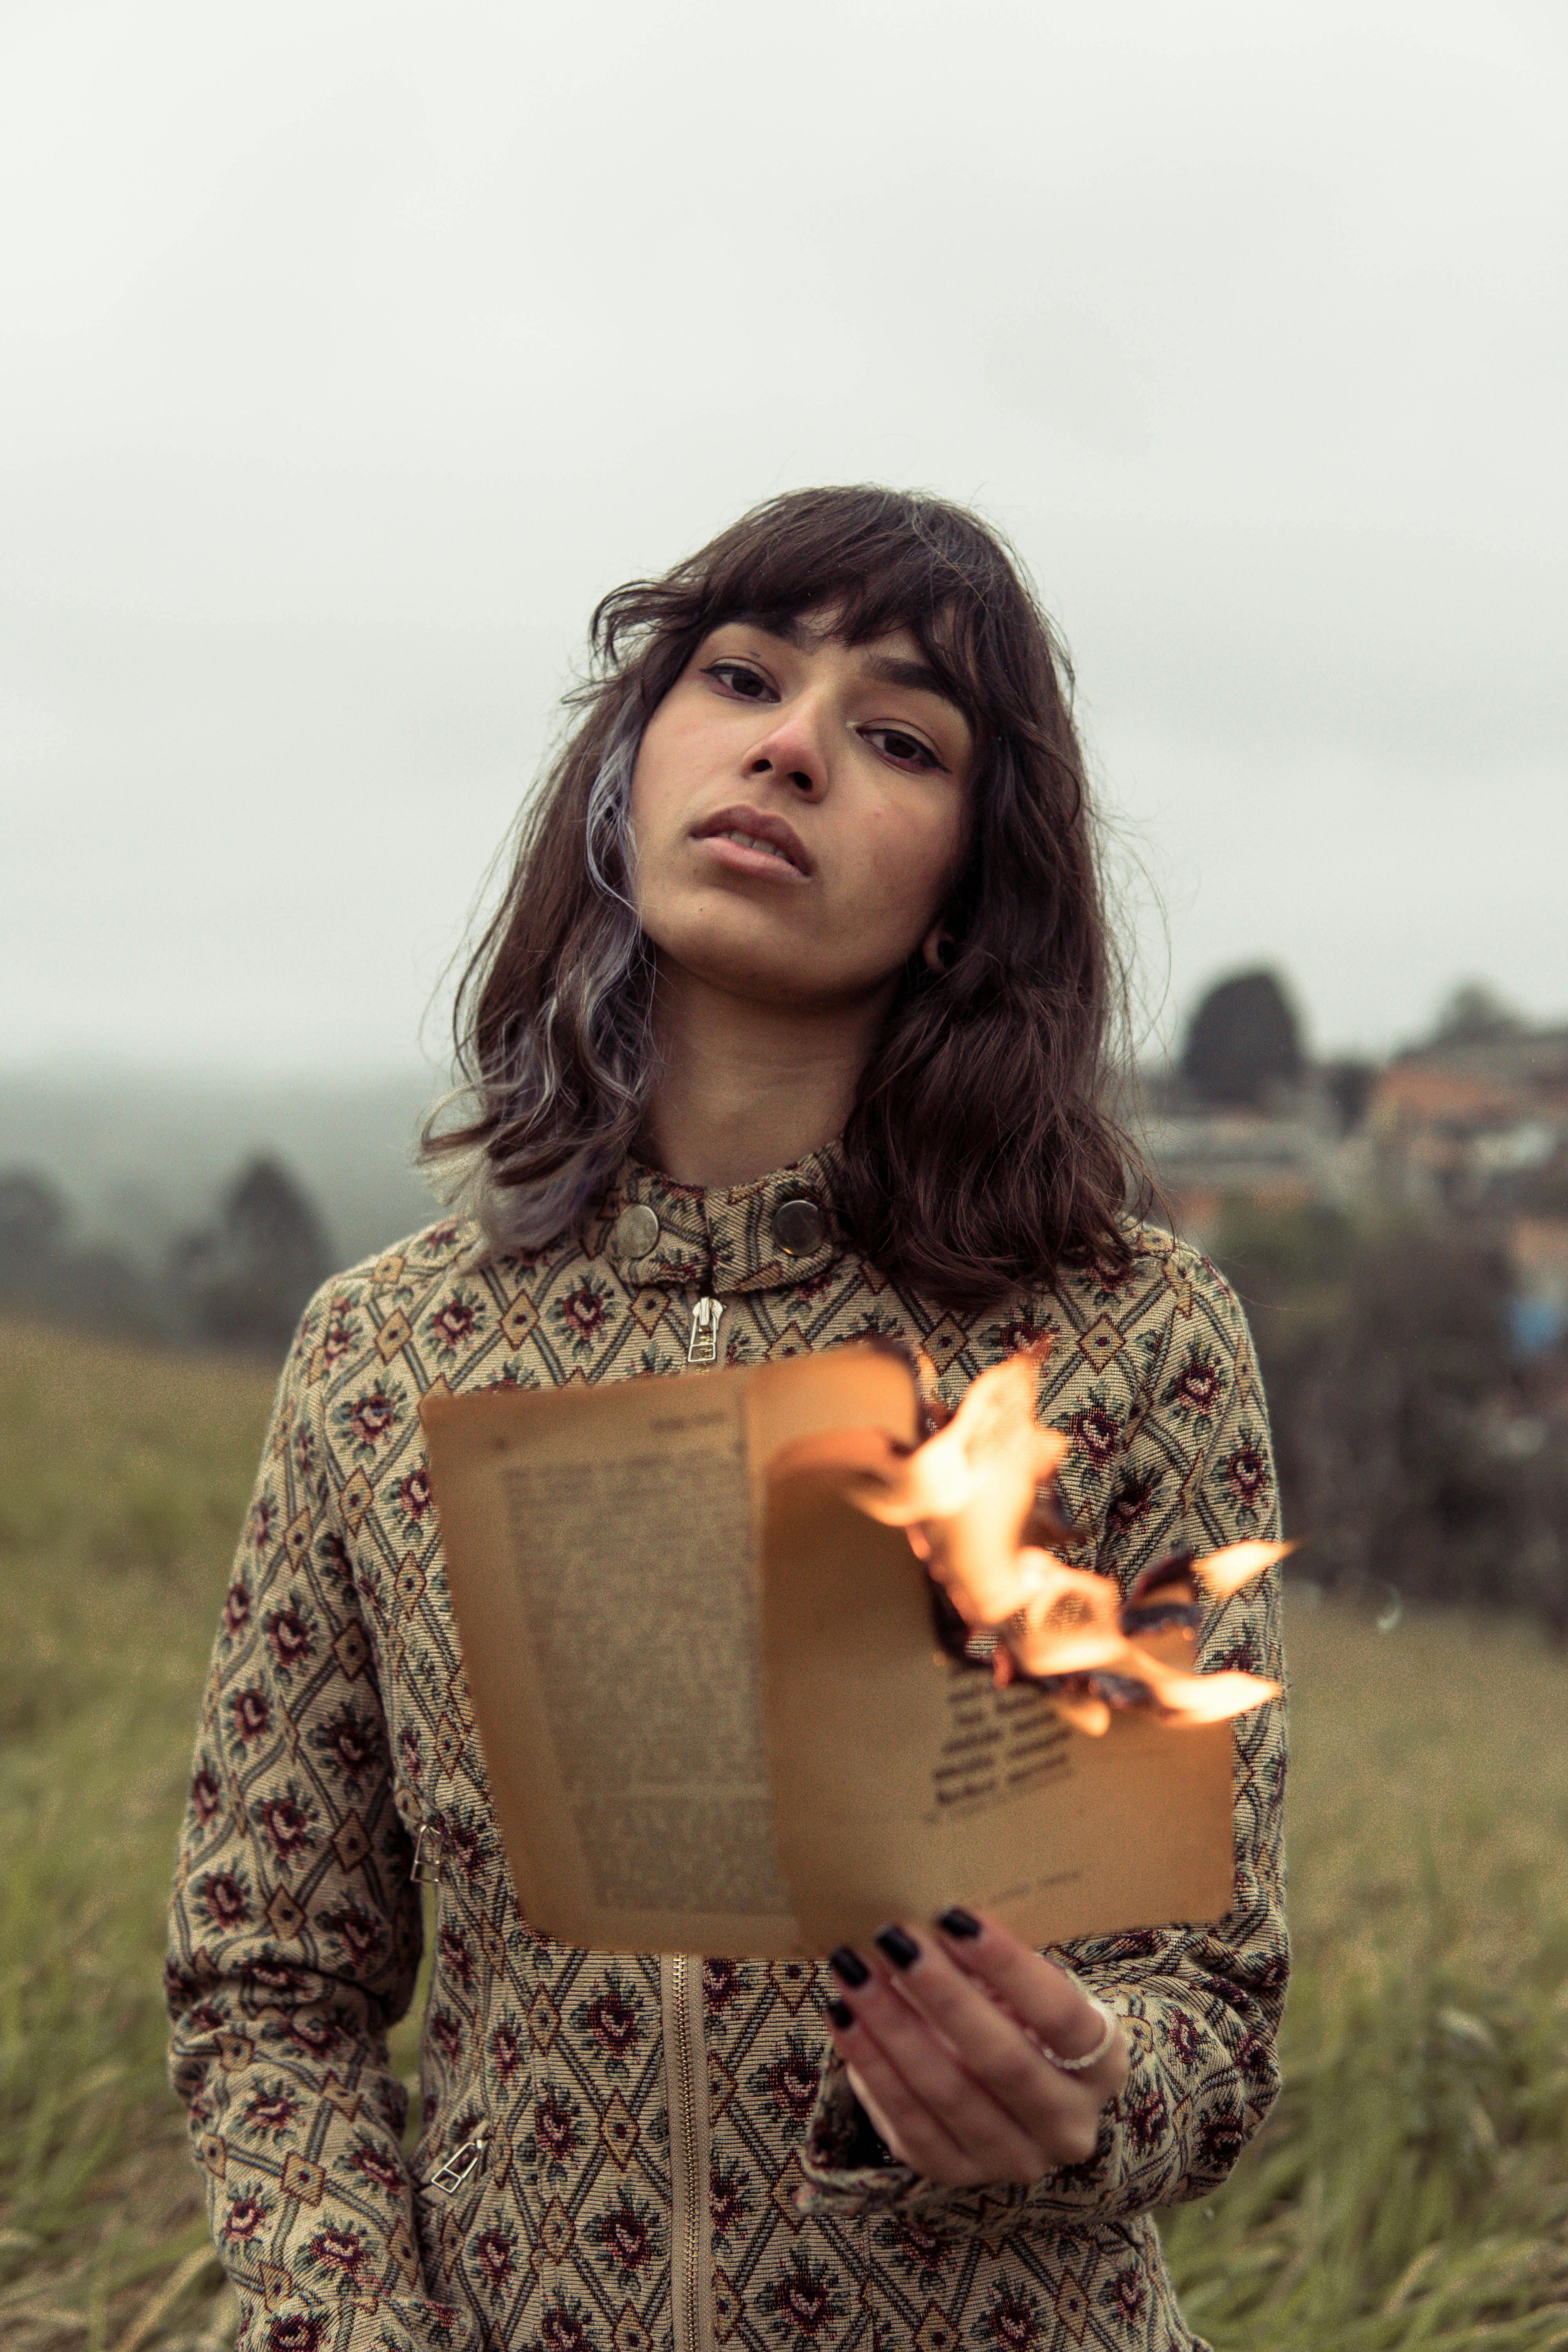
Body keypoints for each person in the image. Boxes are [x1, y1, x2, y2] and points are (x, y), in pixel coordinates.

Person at [166, 486, 1287, 2352]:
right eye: (745, 676)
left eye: (898, 735)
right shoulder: (381, 1357)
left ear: (967, 884)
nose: (791, 745)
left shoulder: (1127, 1337)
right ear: (627, 772)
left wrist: (1091, 2096)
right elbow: (268, 1983)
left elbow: (1213, 2006)